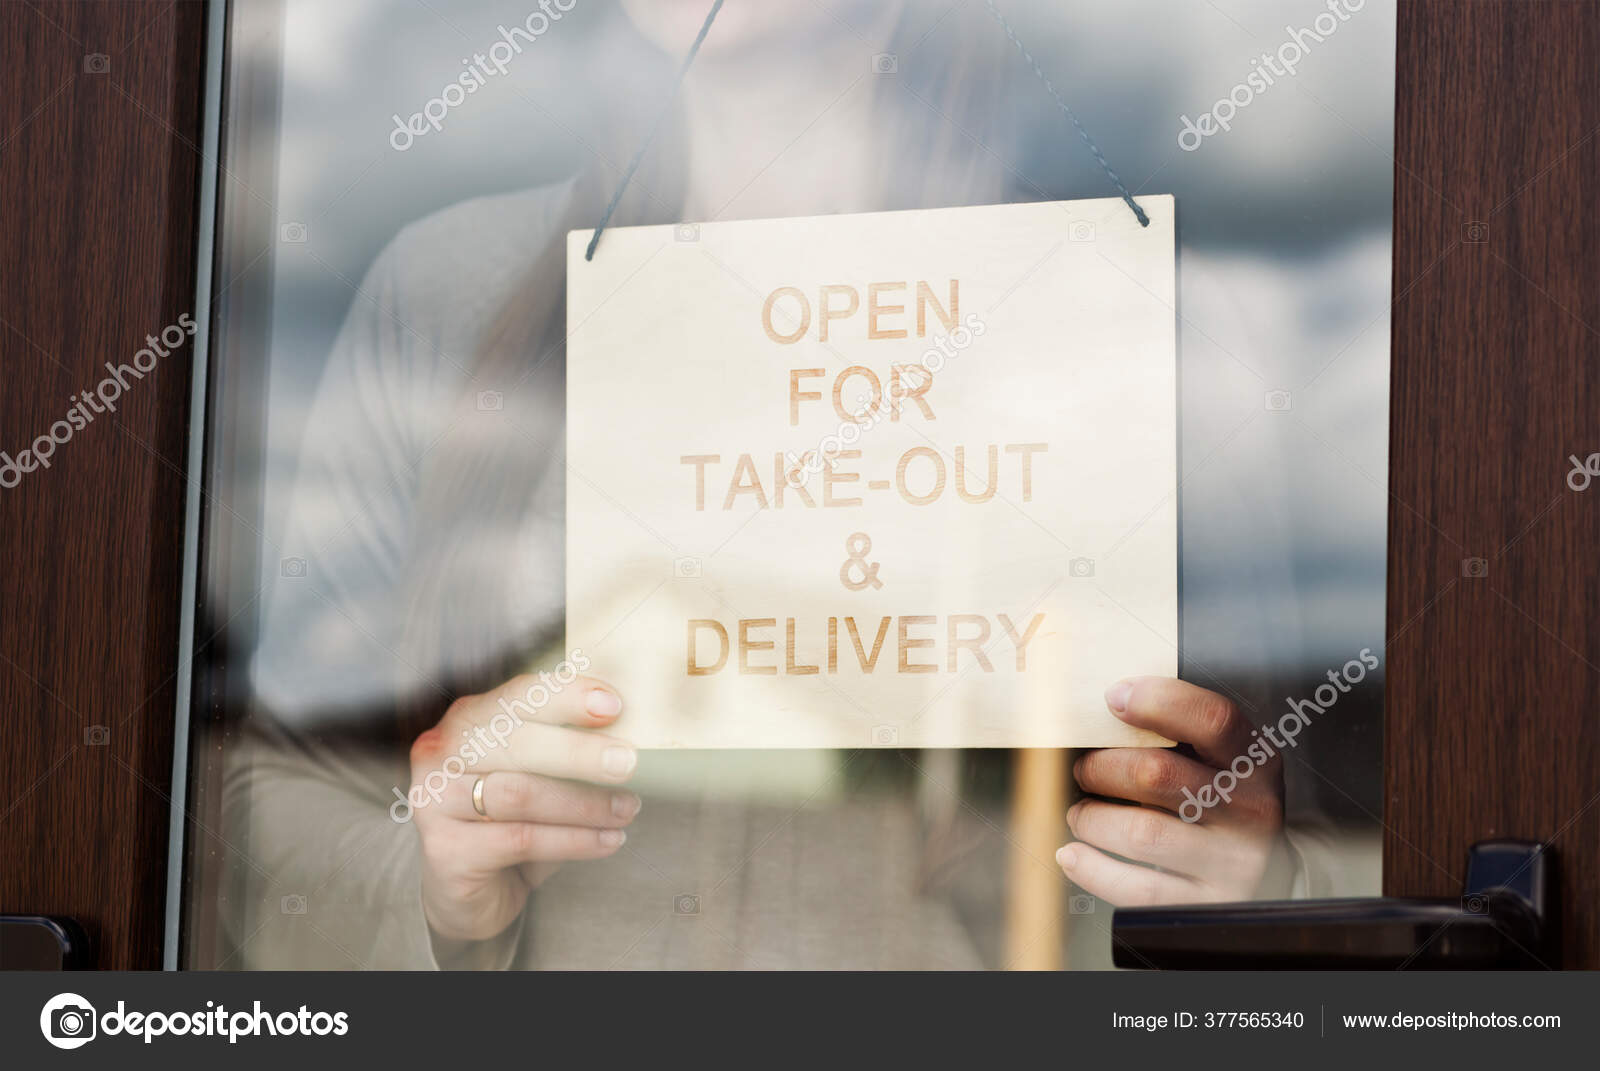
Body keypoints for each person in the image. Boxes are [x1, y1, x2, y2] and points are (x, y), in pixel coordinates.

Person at [233, 0, 1296, 970]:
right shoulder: (444, 293)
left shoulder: (1133, 314)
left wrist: (1258, 901)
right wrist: (429, 884)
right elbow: (253, 806)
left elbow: (1361, 832)